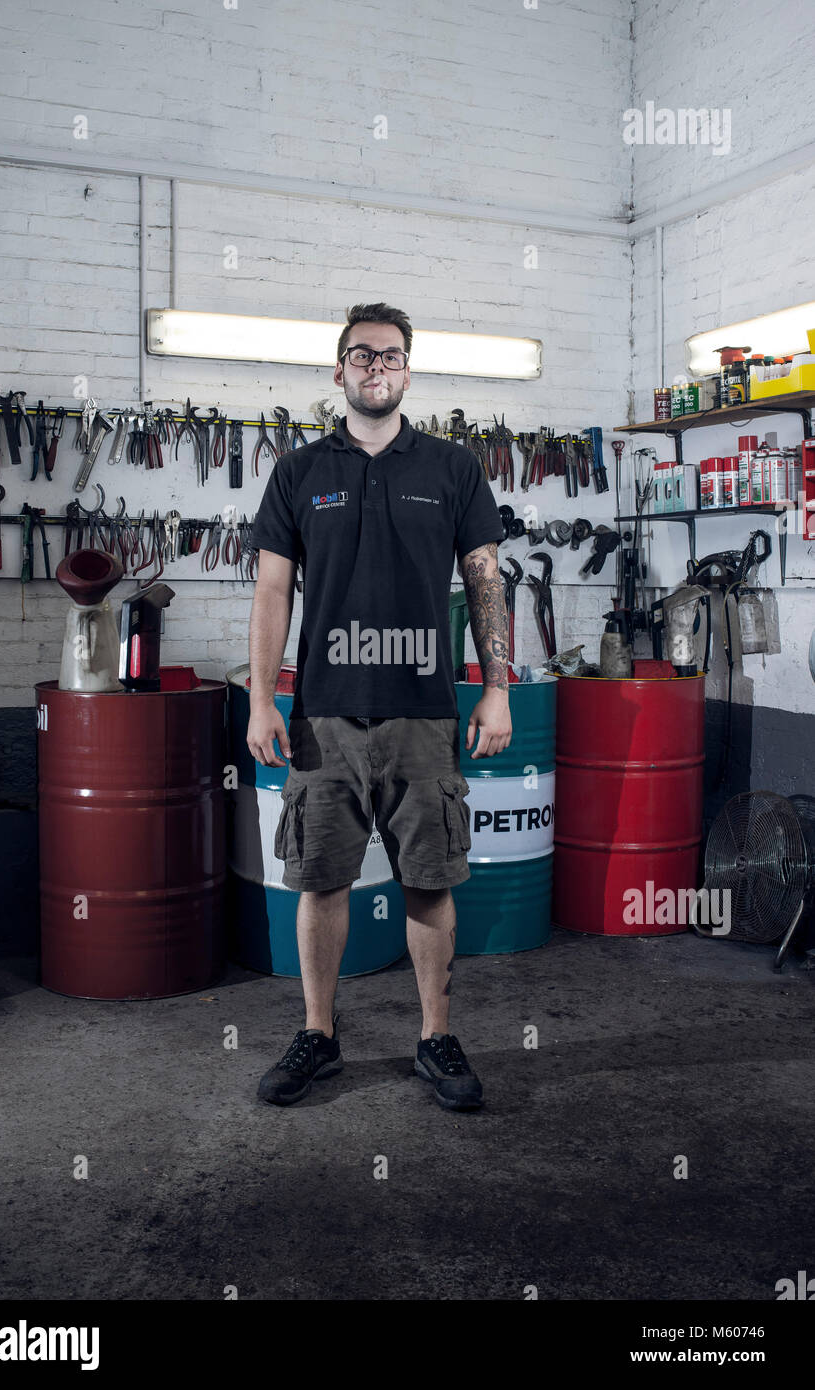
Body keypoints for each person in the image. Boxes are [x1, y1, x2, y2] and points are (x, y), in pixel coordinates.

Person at [246, 302, 511, 1111]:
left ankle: (434, 1038)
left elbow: (486, 579)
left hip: (423, 713)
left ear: (407, 370)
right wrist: (264, 699)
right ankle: (318, 1036)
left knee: (428, 883)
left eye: (390, 356)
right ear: (338, 371)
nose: (375, 368)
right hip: (323, 715)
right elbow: (270, 589)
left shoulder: (453, 468)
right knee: (320, 882)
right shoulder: (298, 472)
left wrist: (497, 688)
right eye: (360, 356)